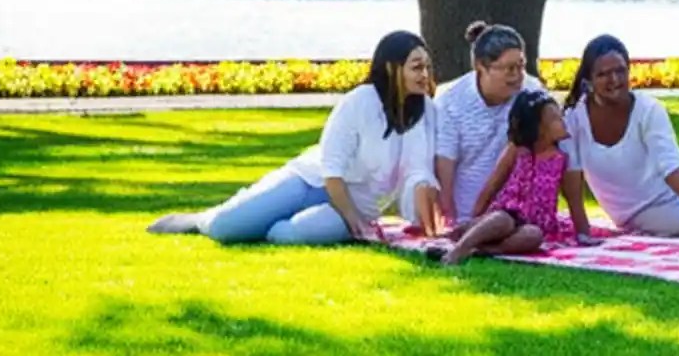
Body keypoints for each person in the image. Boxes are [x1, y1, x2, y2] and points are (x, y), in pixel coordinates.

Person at [145, 30, 440, 243]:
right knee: (225, 229)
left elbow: (418, 171)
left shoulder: (424, 111)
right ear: (391, 68)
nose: (425, 73)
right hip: (310, 182)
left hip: (352, 205)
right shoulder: (360, 101)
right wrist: (353, 220)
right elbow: (331, 168)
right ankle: (202, 219)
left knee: (287, 235)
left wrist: (413, 218)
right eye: (416, 66)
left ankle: (262, 219)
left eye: (427, 66)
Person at [561, 34, 679, 237]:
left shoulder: (648, 108)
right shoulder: (573, 119)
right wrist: (582, 232)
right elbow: (572, 177)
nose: (614, 80)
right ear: (589, 80)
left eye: (620, 71)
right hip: (642, 208)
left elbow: (671, 167)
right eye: (603, 74)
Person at [438, 90, 593, 265]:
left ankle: (485, 249)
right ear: (539, 129)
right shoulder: (516, 151)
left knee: (533, 236)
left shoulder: (562, 159)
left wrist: (584, 235)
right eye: (556, 119)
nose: (563, 121)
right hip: (506, 213)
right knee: (501, 221)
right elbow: (493, 185)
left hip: (535, 225)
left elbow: (575, 203)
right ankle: (459, 250)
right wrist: (476, 217)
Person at [434, 21, 545, 228]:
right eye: (508, 69)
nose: (517, 75)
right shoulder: (449, 103)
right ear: (480, 67)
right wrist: (448, 215)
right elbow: (444, 163)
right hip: (465, 212)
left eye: (521, 66)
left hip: (515, 210)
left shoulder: (532, 93)